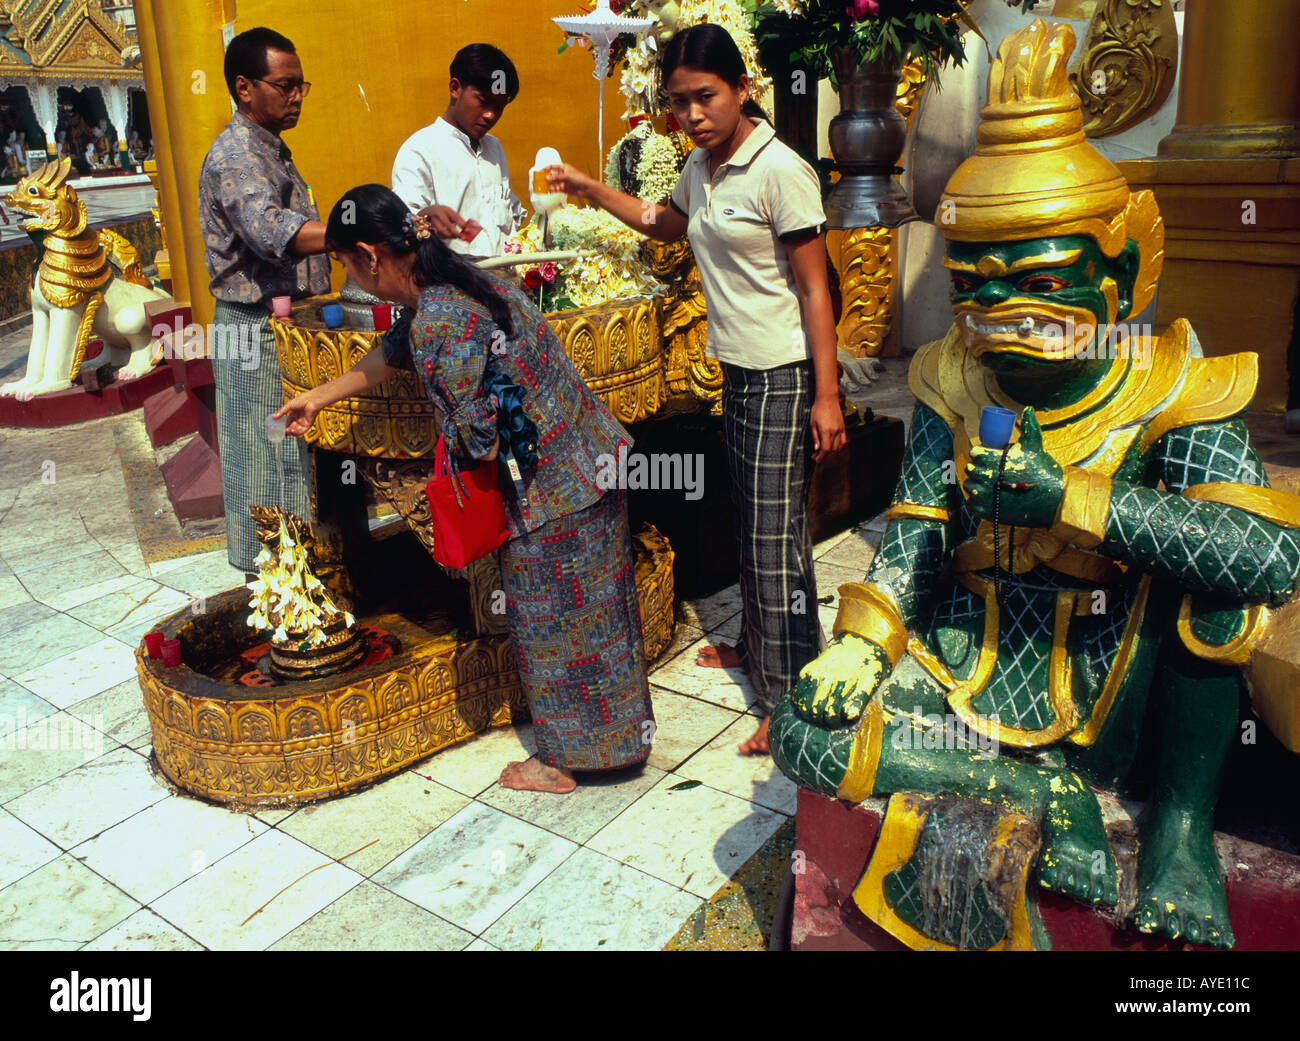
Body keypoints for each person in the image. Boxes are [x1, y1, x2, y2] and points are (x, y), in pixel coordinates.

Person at [274, 184, 654, 794]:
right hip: (593, 460)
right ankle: (622, 740)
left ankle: (561, 761)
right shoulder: (462, 280)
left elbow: (479, 438)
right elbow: (393, 350)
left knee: (551, 623)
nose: (348, 275)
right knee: (602, 619)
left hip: (549, 489)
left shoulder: (440, 322)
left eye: (346, 263)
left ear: (371, 256)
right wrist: (319, 397)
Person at [546, 23, 846, 756]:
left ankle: (787, 698)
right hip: (734, 373)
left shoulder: (780, 170)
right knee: (754, 519)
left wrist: (828, 395)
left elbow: (815, 288)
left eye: (706, 97)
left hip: (782, 373)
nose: (693, 115)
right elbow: (661, 225)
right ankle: (760, 641)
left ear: (744, 89)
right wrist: (587, 187)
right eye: (679, 103)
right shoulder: (701, 169)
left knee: (775, 535)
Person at [198, 26, 329, 574]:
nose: (296, 96)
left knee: (289, 449)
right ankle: (277, 586)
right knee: (267, 449)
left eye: (302, 86)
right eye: (285, 86)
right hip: (253, 330)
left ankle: (304, 575)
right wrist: (354, 231)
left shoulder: (270, 148)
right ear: (244, 87)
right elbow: (271, 232)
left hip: (279, 326)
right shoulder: (237, 155)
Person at [390, 43, 525, 260]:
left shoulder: (494, 149)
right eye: (483, 101)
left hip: (503, 282)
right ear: (455, 88)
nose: (490, 115)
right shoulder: (420, 150)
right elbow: (402, 225)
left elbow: (511, 217)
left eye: (499, 107)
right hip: (449, 286)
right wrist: (425, 218)